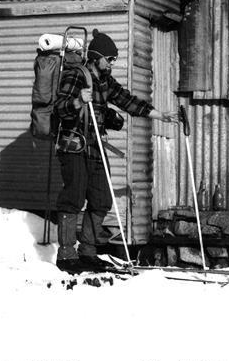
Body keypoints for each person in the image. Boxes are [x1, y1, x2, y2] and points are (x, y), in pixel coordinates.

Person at [53, 29, 181, 274]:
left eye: (114, 59)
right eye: (109, 59)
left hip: (95, 146)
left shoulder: (105, 81)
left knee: (102, 198)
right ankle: (66, 255)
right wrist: (78, 101)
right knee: (73, 197)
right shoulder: (75, 75)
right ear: (96, 57)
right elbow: (60, 108)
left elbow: (127, 100)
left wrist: (161, 115)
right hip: (74, 145)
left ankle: (88, 252)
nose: (112, 63)